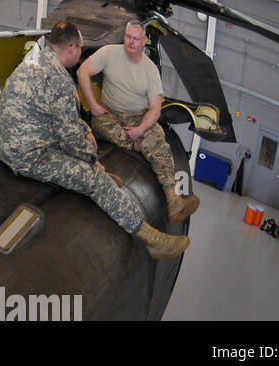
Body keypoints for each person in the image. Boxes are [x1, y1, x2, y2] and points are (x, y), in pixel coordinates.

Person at [0, 20, 189, 259]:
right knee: (96, 181)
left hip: (10, 142)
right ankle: (150, 237)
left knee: (80, 145)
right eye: (80, 48)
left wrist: (85, 127)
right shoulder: (59, 80)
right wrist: (92, 159)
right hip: (27, 156)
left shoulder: (34, 60)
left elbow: (57, 115)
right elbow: (69, 138)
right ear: (72, 47)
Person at [76, 20, 200, 225]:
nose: (130, 42)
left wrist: (140, 129)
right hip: (110, 115)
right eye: (127, 37)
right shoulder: (109, 52)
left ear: (144, 42)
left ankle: (173, 199)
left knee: (159, 142)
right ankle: (140, 146)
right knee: (99, 124)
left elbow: (155, 109)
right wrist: (93, 105)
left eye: (135, 38)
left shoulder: (150, 70)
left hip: (138, 116)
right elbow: (82, 72)